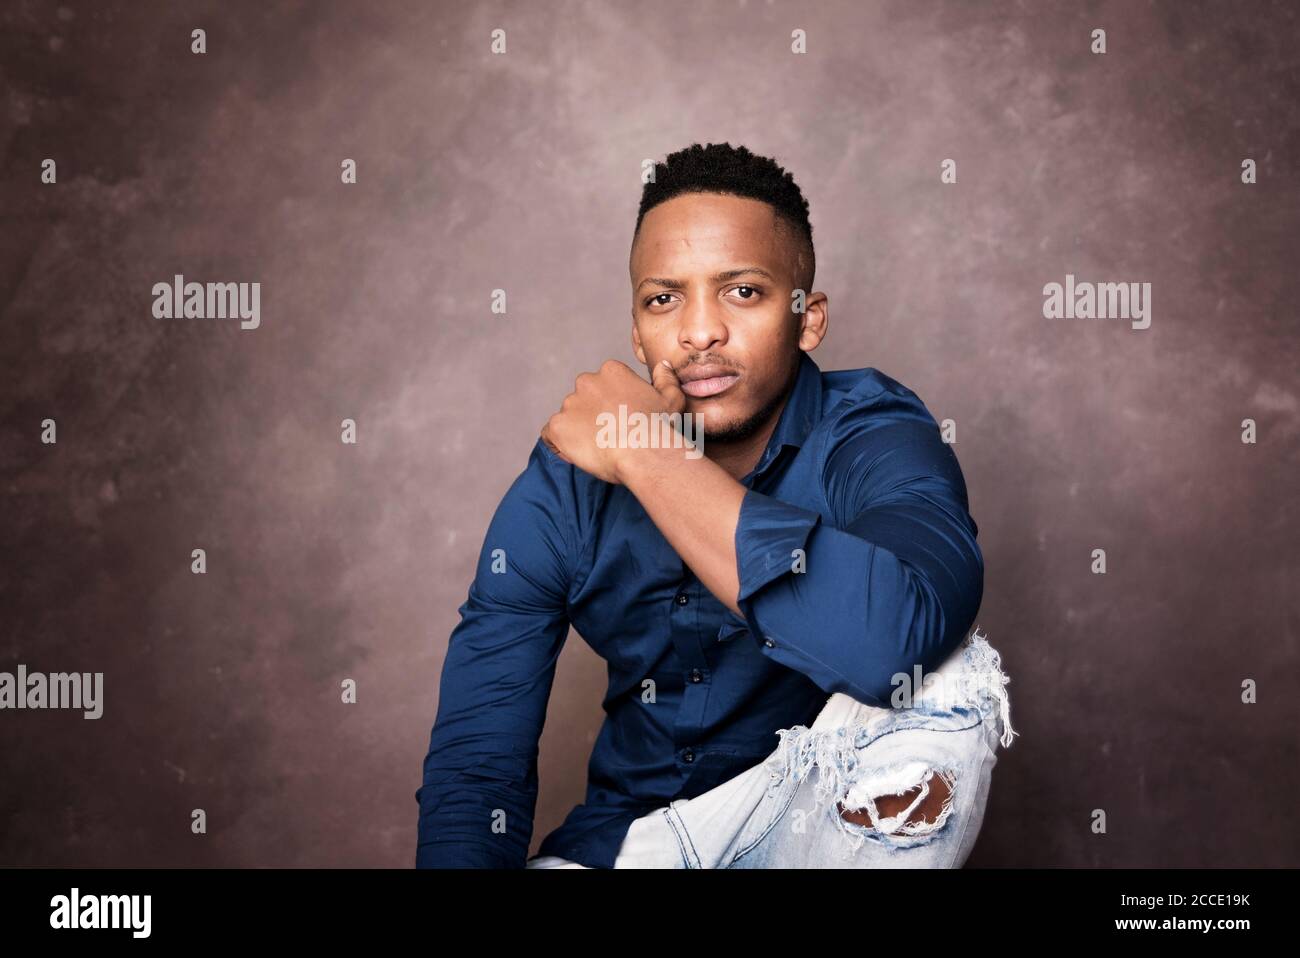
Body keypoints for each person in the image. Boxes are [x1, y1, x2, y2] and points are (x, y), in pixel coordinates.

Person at [416, 142, 1016, 869]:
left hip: (814, 831)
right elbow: (478, 762)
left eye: (742, 292)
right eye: (664, 299)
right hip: (632, 847)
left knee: (951, 672)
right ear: (637, 331)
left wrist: (652, 457)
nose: (699, 332)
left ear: (808, 319)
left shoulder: (871, 431)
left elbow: (900, 637)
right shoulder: (567, 482)